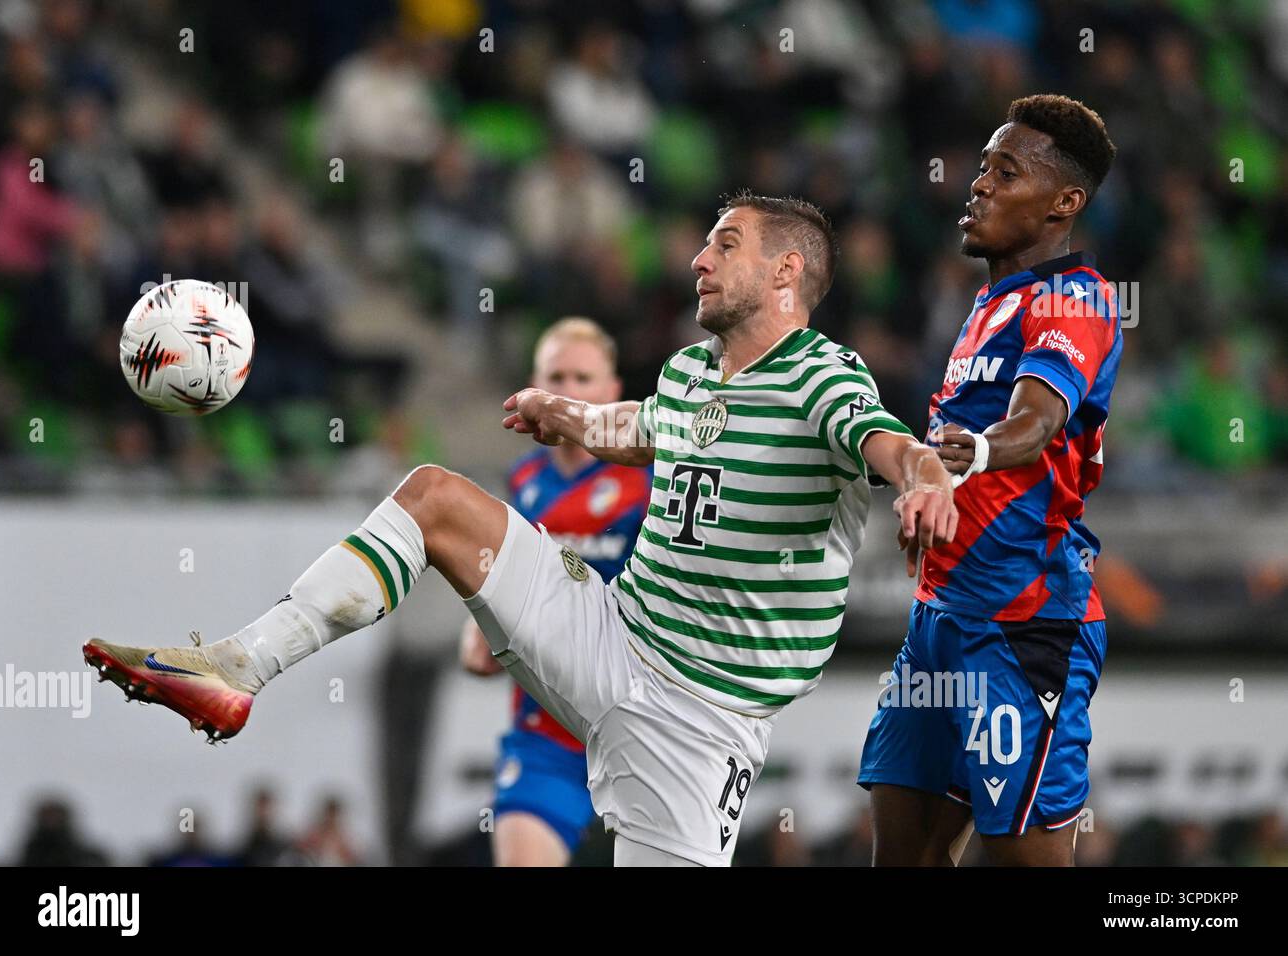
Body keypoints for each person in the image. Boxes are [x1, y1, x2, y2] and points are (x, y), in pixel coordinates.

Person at [84, 191, 957, 867]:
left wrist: (925, 480)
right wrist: (574, 416)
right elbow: (649, 427)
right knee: (434, 497)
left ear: (786, 272)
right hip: (613, 631)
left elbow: (887, 441)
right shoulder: (696, 368)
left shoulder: (823, 378)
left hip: (702, 721)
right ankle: (239, 665)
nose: (697, 258)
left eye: (725, 243)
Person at [857, 94, 1120, 866]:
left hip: (1025, 624)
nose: (978, 184)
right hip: (938, 618)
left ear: (1063, 203)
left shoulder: (1074, 298)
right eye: (981, 168)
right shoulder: (983, 305)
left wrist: (949, 461)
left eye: (1006, 172)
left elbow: (1031, 425)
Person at [459, 317, 652, 866]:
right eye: (556, 377)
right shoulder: (523, 482)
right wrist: (479, 630)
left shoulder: (650, 482)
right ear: (532, 388)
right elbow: (502, 575)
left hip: (639, 724)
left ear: (613, 394)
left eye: (583, 378)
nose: (568, 391)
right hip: (546, 733)